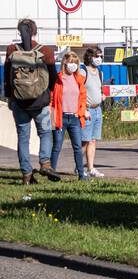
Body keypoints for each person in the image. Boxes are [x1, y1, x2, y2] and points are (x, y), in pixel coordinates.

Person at [5, 19, 59, 184]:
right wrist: (47, 92)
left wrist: (10, 96)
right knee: (44, 133)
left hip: (19, 102)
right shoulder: (46, 51)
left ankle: (27, 175)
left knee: (23, 138)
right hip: (40, 101)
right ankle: (45, 163)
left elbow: (7, 76)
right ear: (34, 31)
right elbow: (53, 77)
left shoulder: (11, 50)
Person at [49, 50, 89, 181]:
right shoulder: (58, 79)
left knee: (77, 146)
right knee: (57, 146)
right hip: (60, 117)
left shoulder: (79, 79)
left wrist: (82, 112)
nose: (73, 65)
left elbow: (83, 98)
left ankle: (81, 174)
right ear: (65, 63)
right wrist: (51, 116)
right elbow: (52, 99)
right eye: (71, 62)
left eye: (75, 63)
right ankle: (52, 173)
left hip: (75, 118)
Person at [80, 45, 106, 178]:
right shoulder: (83, 71)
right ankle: (79, 167)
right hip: (87, 110)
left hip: (97, 110)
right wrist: (83, 109)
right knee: (85, 140)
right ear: (90, 57)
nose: (99, 59)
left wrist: (101, 96)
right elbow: (78, 91)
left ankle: (90, 168)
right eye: (97, 56)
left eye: (101, 56)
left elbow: (98, 89)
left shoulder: (100, 73)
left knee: (93, 140)